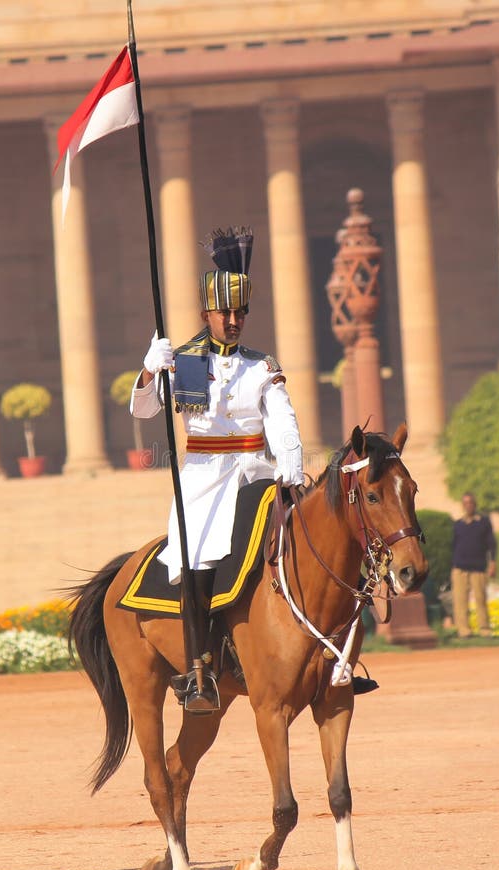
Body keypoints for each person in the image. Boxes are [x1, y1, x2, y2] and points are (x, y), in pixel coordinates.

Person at [130, 226, 303, 710]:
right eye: (225, 312)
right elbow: (144, 412)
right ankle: (200, 669)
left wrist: (290, 466)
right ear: (207, 313)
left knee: (308, 541)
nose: (233, 320)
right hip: (203, 477)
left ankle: (331, 656)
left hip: (254, 471)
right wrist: (149, 370)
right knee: (196, 556)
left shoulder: (260, 365)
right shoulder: (181, 361)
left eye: (240, 312)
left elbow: (283, 420)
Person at [450, 492, 497, 638]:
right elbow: (453, 546)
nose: (468, 505)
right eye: (465, 503)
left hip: (478, 568)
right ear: (463, 505)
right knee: (460, 602)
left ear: (474, 504)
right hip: (460, 569)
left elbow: (492, 544)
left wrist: (493, 563)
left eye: (470, 502)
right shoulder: (458, 524)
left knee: (481, 600)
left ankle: (485, 630)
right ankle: (464, 631)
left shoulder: (484, 522)